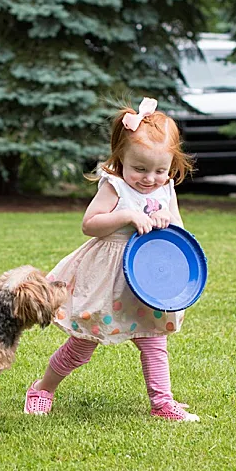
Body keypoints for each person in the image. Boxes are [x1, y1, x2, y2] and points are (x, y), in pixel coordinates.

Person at [24, 97, 200, 421]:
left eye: (160, 170)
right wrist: (128, 215)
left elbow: (178, 230)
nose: (149, 178)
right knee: (82, 345)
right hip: (109, 276)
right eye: (140, 169)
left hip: (147, 279)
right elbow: (89, 225)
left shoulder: (166, 188)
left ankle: (162, 403)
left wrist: (166, 222)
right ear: (121, 159)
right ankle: (42, 388)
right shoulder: (115, 186)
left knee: (153, 341)